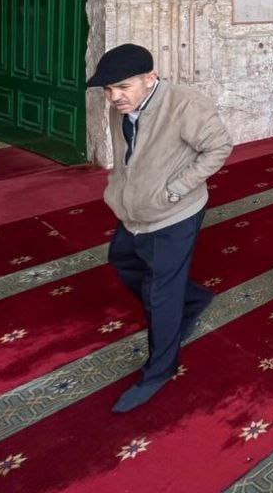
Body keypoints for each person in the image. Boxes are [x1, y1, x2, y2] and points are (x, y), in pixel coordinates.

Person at [88, 43, 233, 412]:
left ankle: (158, 371)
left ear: (150, 79)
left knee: (160, 293)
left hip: (174, 212)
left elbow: (219, 147)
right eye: (108, 89)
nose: (114, 97)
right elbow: (128, 156)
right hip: (134, 210)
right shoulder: (121, 107)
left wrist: (177, 189)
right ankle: (193, 298)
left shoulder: (184, 105)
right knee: (123, 260)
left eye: (123, 87)